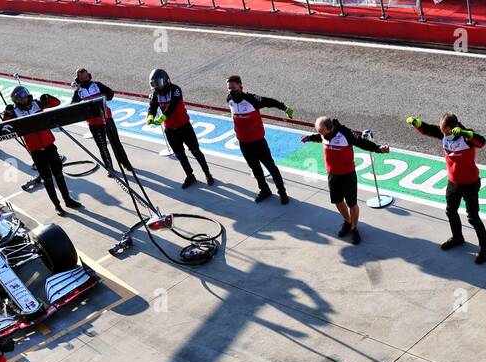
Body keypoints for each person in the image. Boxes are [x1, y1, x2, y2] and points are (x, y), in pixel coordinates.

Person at [408, 112, 486, 264]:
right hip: (453, 183)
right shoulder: (444, 135)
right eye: (442, 131)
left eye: (445, 131)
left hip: (470, 184)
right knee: (450, 211)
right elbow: (429, 130)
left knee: (473, 218)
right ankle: (458, 237)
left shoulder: (466, 137)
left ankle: (485, 248)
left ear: (454, 128)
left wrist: (465, 132)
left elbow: (482, 142)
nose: (443, 134)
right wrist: (416, 123)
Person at [299, 116, 389, 246]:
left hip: (348, 174)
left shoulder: (345, 133)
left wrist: (379, 149)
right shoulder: (324, 133)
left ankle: (354, 228)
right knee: (337, 201)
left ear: (330, 128)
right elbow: (321, 137)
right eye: (319, 132)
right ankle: (347, 222)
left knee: (352, 203)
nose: (321, 134)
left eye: (322, 131)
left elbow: (362, 143)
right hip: (332, 174)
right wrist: (309, 138)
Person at [3, 85, 83, 217]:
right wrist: (7, 114)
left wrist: (47, 97)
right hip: (36, 151)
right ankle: (57, 206)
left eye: (24, 95)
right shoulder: (15, 112)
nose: (24, 98)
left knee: (59, 174)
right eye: (20, 97)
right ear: (16, 100)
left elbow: (56, 103)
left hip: (49, 146)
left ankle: (68, 200)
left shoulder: (36, 104)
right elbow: (6, 127)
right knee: (47, 179)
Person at [225, 75, 291, 204]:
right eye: (229, 88)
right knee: (255, 169)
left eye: (233, 87)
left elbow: (270, 102)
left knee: (271, 168)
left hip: (258, 141)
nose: (231, 90)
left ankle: (282, 192)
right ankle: (264, 190)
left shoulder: (252, 99)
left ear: (240, 85)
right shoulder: (229, 100)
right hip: (243, 142)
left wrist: (285, 108)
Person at [146, 68, 213, 189]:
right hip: (170, 130)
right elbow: (152, 107)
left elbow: (173, 105)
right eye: (154, 84)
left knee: (195, 151)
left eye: (159, 83)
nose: (158, 87)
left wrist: (162, 117)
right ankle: (190, 175)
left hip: (184, 127)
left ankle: (207, 173)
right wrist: (149, 117)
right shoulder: (156, 94)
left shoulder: (175, 89)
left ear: (166, 80)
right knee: (179, 154)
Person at [72, 68, 128, 176]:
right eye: (81, 78)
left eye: (85, 77)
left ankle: (125, 163)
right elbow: (73, 106)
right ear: (78, 79)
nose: (84, 79)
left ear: (89, 76)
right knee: (102, 146)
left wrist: (102, 97)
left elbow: (110, 94)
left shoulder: (97, 85)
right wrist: (82, 102)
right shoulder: (78, 91)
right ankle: (110, 168)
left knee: (115, 142)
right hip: (93, 124)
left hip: (106, 118)